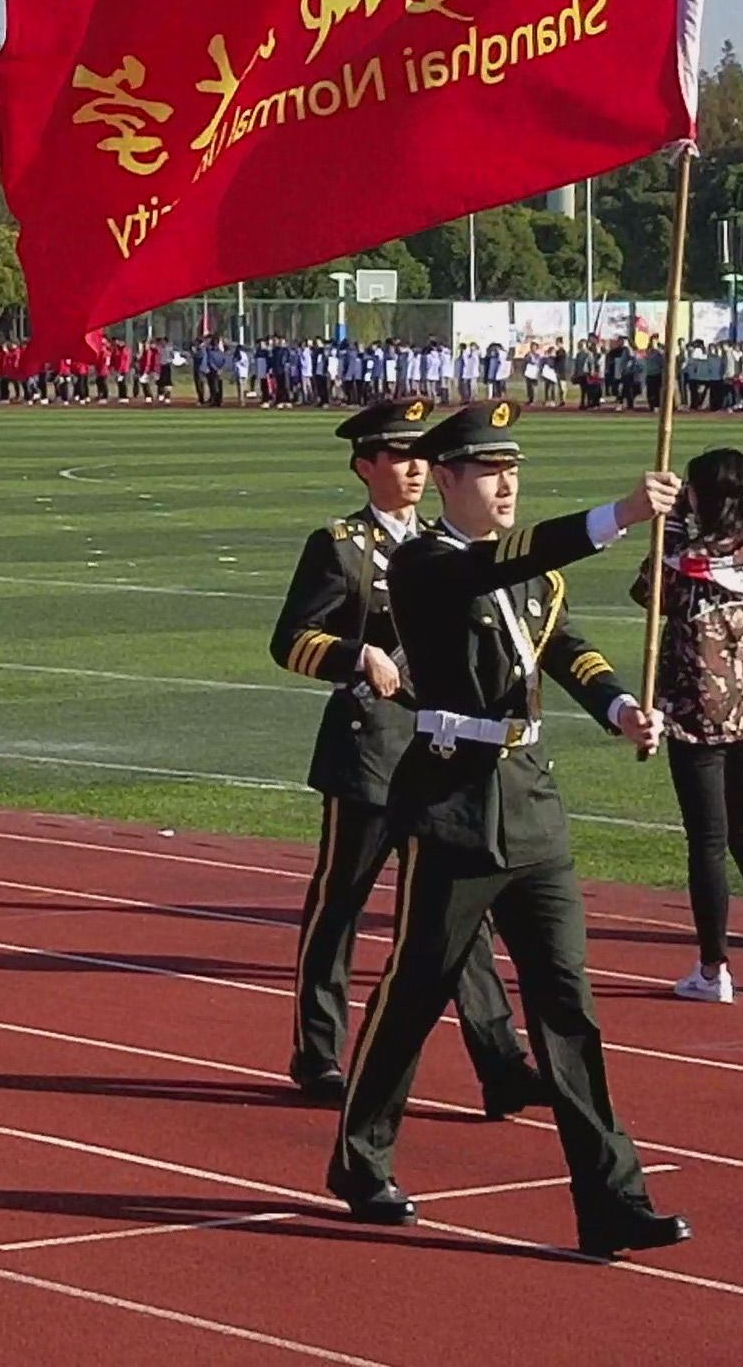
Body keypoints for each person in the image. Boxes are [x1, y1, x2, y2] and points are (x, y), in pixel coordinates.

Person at [330, 403, 690, 1261]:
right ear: (447, 478)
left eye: (513, 469)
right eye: (488, 471)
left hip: (529, 802)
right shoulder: (425, 564)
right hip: (452, 804)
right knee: (417, 989)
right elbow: (506, 565)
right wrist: (621, 516)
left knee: (568, 1005)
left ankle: (610, 1198)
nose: (505, 484)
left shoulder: (527, 573)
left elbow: (560, 645)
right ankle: (360, 1158)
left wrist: (618, 706)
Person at [268, 399, 541, 1112]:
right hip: (368, 749)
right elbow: (290, 640)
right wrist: (356, 656)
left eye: (421, 456)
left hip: (438, 754)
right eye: (396, 455)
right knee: (340, 907)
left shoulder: (446, 547)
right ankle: (318, 1053)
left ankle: (500, 1060)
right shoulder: (339, 546)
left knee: (459, 915)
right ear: (365, 466)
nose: (414, 468)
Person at [641, 447, 743, 1003]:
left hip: (698, 712)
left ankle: (714, 969)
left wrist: (665, 533)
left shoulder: (687, 557)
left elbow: (648, 592)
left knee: (708, 843)